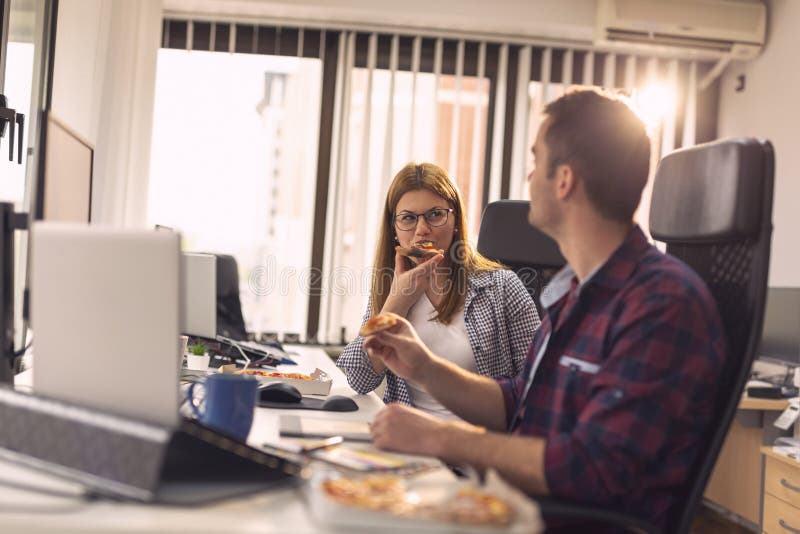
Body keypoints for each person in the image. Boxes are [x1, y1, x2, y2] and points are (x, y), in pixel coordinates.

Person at [363, 88, 727, 528]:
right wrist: (423, 366)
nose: (529, 177)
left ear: (565, 180)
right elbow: (520, 402)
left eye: (536, 161)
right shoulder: (574, 290)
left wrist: (441, 437)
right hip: (517, 506)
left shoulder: (661, 302)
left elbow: (596, 468)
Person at [338, 162, 540, 419]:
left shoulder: (502, 288)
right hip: (410, 447)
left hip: (479, 448)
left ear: (455, 220)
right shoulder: (393, 288)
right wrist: (395, 305)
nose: (422, 229)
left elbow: (539, 391)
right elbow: (359, 379)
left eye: (435, 215)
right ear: (395, 230)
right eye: (409, 218)